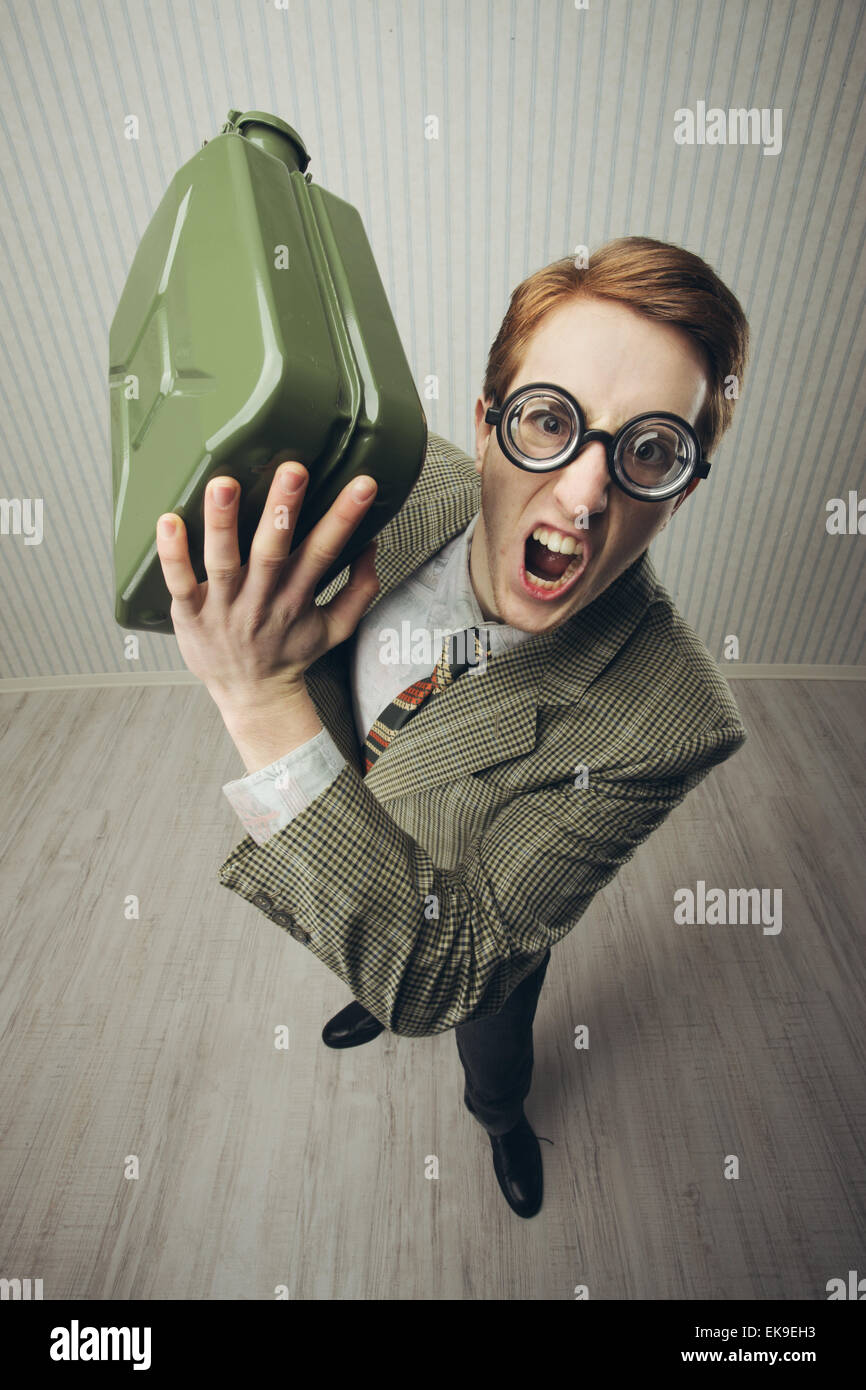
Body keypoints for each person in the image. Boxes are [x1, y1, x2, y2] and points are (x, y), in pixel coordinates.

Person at [156, 236, 750, 1219]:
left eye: (647, 450)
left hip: (475, 930)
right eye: (548, 421)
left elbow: (450, 970)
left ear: (679, 492)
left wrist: (258, 701)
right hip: (366, 829)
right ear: (484, 428)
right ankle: (367, 974)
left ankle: (501, 1118)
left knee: (485, 1028)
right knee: (379, 953)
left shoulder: (671, 720)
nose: (583, 493)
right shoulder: (395, 478)